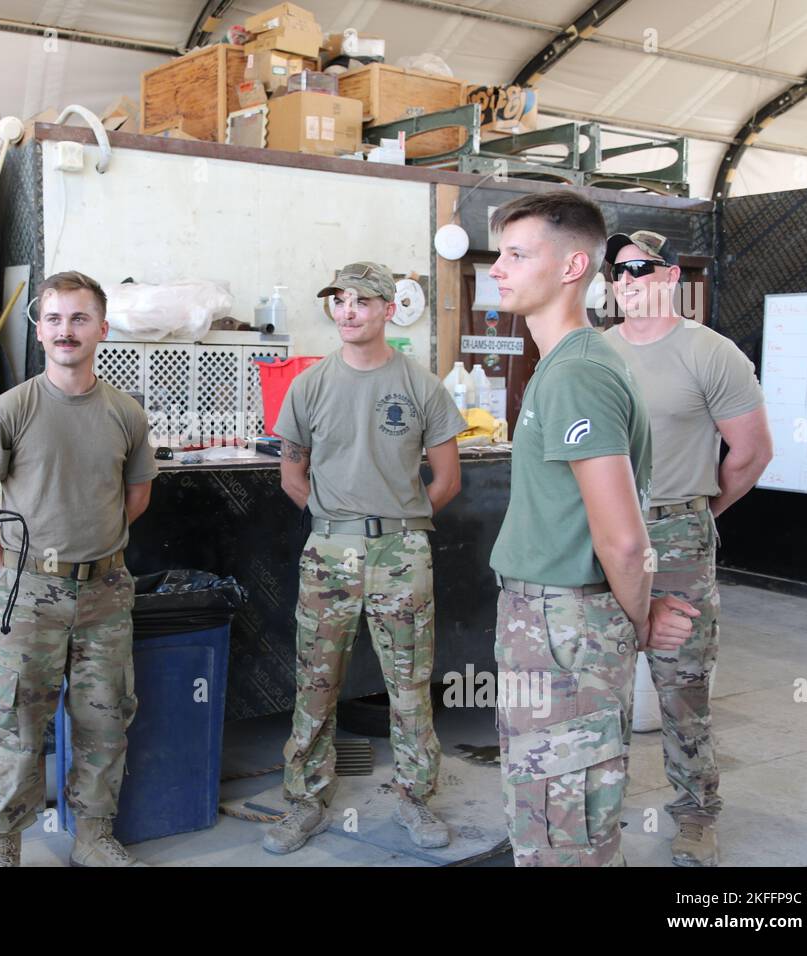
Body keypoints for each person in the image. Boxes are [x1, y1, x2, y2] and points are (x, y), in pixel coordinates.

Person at [485, 192, 696, 867]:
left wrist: (633, 621)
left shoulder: (576, 371)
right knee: (555, 813)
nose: (497, 268)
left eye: (518, 254)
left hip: (564, 627)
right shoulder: (570, 363)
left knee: (561, 832)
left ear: (574, 265)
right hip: (555, 622)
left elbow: (626, 539)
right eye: (499, 253)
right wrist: (635, 612)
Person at [0, 270, 157, 867]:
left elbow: (136, 496)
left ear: (102, 328)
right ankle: (3, 844)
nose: (65, 330)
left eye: (79, 318)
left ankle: (94, 836)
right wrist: (10, 567)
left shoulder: (126, 412)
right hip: (29, 591)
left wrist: (96, 549)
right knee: (16, 724)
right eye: (54, 318)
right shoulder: (10, 409)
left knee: (104, 719)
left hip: (105, 593)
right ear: (38, 330)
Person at [263, 262, 465, 855]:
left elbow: (447, 479)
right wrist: (337, 525)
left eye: (361, 301)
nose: (347, 311)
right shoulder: (310, 384)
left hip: (402, 552)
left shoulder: (421, 385)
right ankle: (305, 800)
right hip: (329, 549)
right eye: (339, 301)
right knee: (316, 681)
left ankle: (414, 799)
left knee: (408, 682)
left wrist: (395, 526)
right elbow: (291, 473)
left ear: (387, 310)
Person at [604, 230, 772, 866]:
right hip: (604, 535)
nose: (628, 281)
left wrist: (697, 512)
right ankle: (598, 812)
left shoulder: (711, 352)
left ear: (672, 276)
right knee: (601, 680)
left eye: (641, 269)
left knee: (681, 686)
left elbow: (751, 453)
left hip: (677, 533)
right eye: (617, 272)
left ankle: (697, 813)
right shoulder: (595, 353)